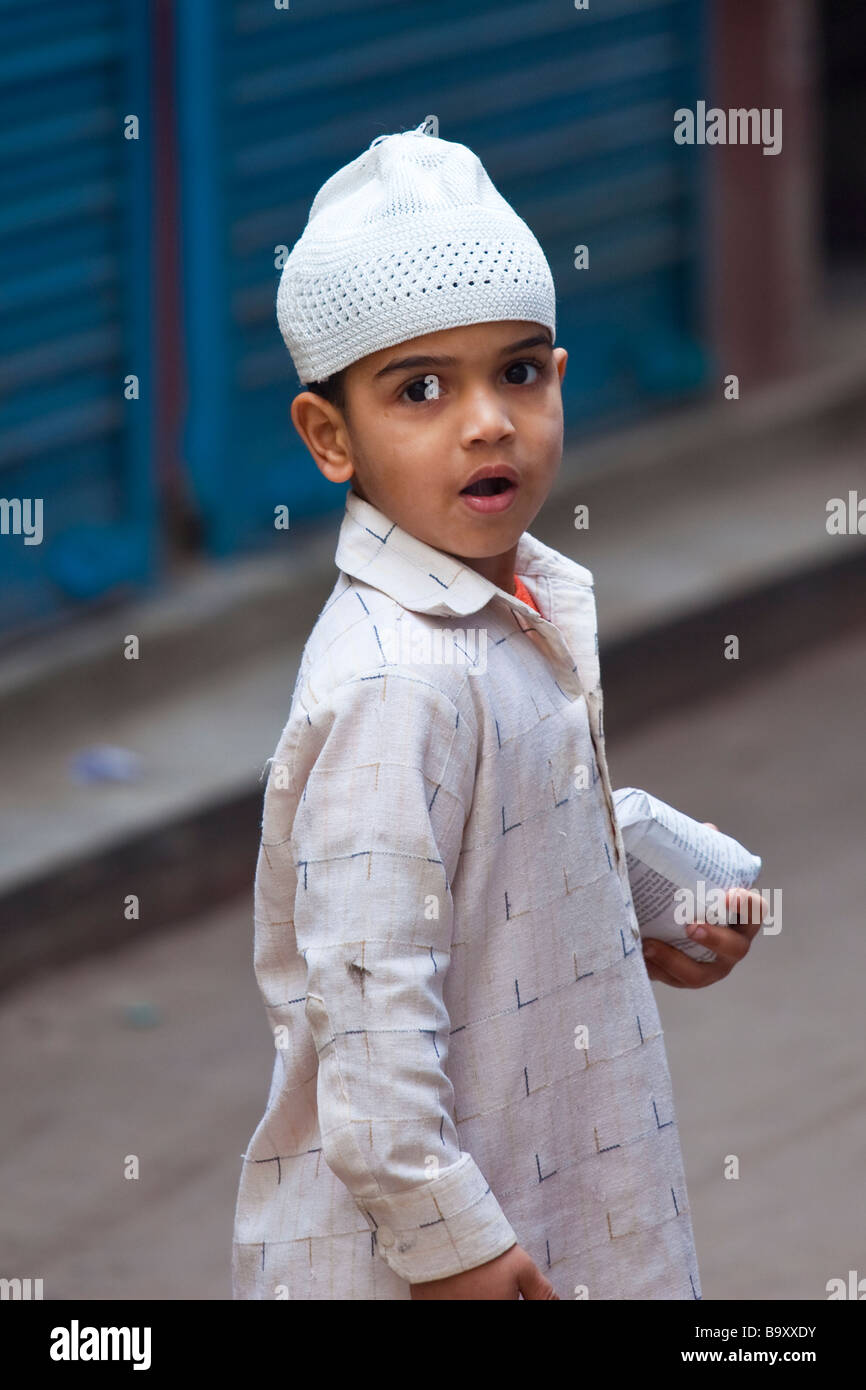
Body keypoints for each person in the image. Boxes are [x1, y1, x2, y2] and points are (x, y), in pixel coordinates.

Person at [231, 120, 763, 1301]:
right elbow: (367, 992)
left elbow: (513, 817)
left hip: (562, 1177)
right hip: (446, 1251)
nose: (485, 421)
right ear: (330, 436)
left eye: (515, 372)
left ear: (556, 381)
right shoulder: (396, 681)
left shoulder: (504, 605)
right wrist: (446, 1239)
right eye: (419, 389)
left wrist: (654, 897)